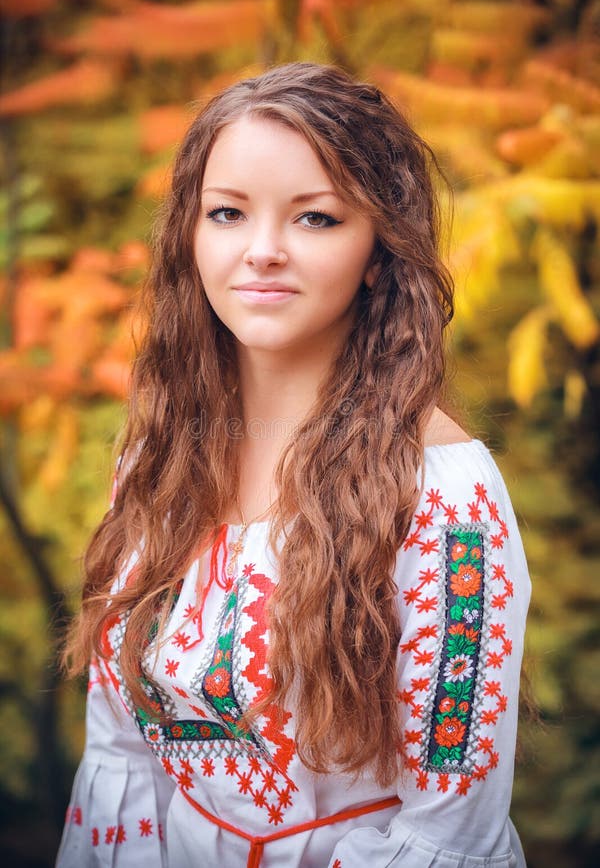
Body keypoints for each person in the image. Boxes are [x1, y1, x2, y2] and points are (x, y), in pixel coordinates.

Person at [57, 62, 531, 867]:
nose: (263, 252)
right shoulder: (157, 458)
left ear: (380, 250)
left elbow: (448, 829)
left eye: (315, 219)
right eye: (228, 213)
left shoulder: (448, 501)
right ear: (190, 235)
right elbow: (120, 757)